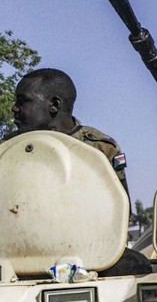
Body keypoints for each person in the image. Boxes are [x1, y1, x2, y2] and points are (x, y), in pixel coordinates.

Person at [5, 68, 129, 202]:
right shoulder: (8, 147)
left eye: (23, 100)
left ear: (54, 105)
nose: (14, 108)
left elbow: (119, 207)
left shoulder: (100, 148)